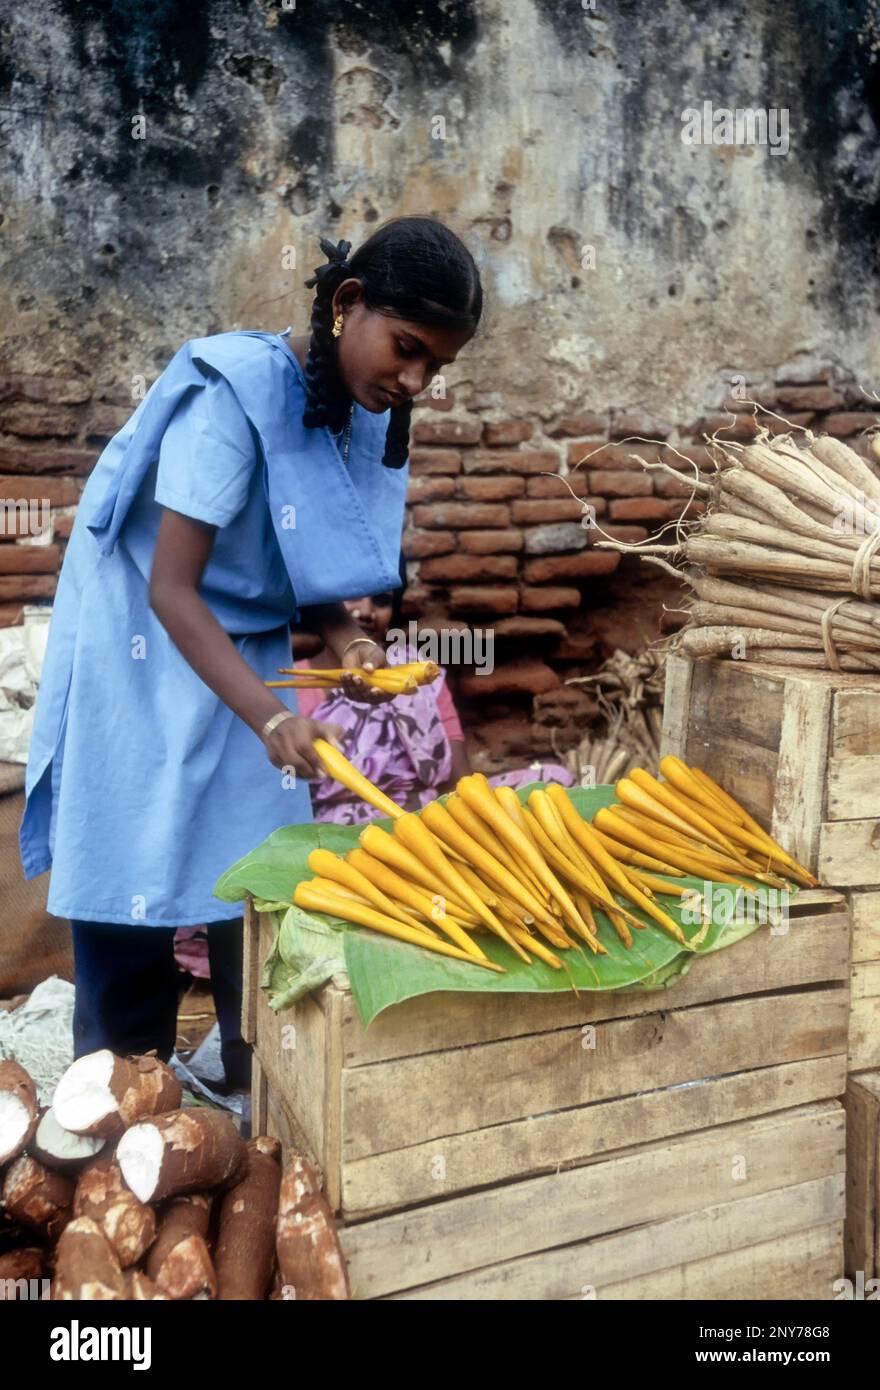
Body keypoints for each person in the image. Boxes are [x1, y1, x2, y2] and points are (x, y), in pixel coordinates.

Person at [19, 217, 483, 1090]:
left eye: (437, 367)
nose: (417, 379)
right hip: (146, 638)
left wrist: (348, 640)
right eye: (407, 348)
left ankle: (254, 1075)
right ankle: (120, 1080)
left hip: (243, 644)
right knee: (136, 853)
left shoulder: (359, 411)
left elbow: (312, 566)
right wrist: (271, 714)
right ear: (348, 306)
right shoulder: (232, 400)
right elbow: (172, 589)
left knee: (256, 863)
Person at [294, 589, 575, 824]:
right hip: (347, 823)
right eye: (352, 597)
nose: (366, 611)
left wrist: (464, 819)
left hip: (429, 809)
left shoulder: (417, 669)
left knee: (553, 782)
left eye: (381, 601)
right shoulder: (297, 681)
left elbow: (458, 780)